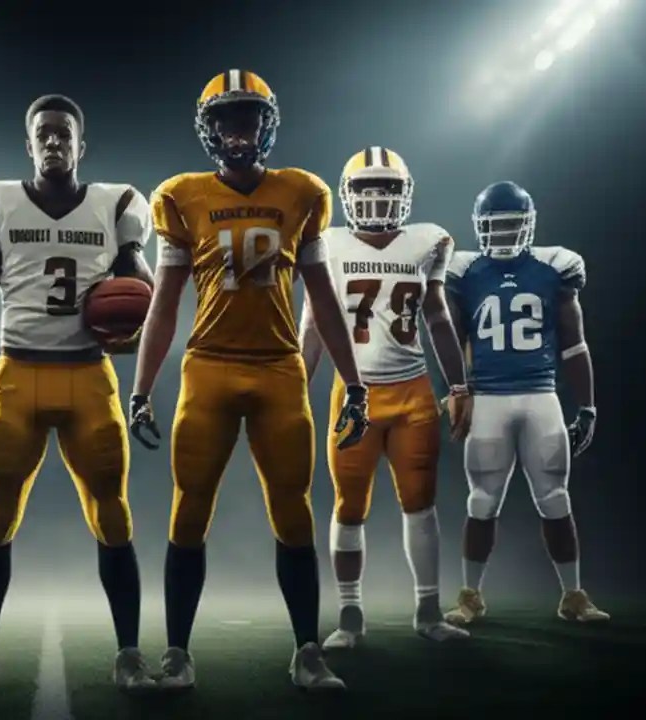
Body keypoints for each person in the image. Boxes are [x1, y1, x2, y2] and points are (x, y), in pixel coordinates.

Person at [130, 69, 369, 692]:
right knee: (189, 512)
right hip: (208, 365)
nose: (239, 132)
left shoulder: (304, 193)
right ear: (209, 129)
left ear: (267, 124)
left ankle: (307, 651)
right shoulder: (181, 196)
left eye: (248, 119)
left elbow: (323, 298)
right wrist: (140, 386)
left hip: (279, 369)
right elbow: (163, 303)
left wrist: (355, 382)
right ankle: (178, 651)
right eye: (227, 120)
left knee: (294, 513)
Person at [0, 94, 156, 696]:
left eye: (64, 134)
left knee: (113, 514)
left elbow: (146, 287)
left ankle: (130, 656)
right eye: (44, 134)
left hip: (88, 376)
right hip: (19, 374)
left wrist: (135, 322)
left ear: (81, 145)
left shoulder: (117, 205)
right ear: (28, 144)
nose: (54, 143)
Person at [299, 147, 471, 649]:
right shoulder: (325, 244)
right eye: (366, 189)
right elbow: (311, 327)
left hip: (414, 392)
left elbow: (438, 317)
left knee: (421, 504)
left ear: (406, 193)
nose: (376, 199)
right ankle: (350, 615)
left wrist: (459, 386)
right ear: (348, 195)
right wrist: (293, 391)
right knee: (349, 506)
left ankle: (427, 609)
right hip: (354, 395)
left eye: (388, 189)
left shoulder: (427, 241)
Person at [443, 181, 608, 625]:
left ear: (529, 224)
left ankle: (573, 595)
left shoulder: (555, 268)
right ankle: (469, 596)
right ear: (479, 227)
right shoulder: (464, 272)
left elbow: (575, 345)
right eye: (495, 226)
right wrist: (460, 389)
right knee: (482, 501)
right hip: (491, 397)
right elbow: (453, 340)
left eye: (513, 224)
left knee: (555, 497)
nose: (504, 234)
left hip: (540, 394)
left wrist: (587, 406)